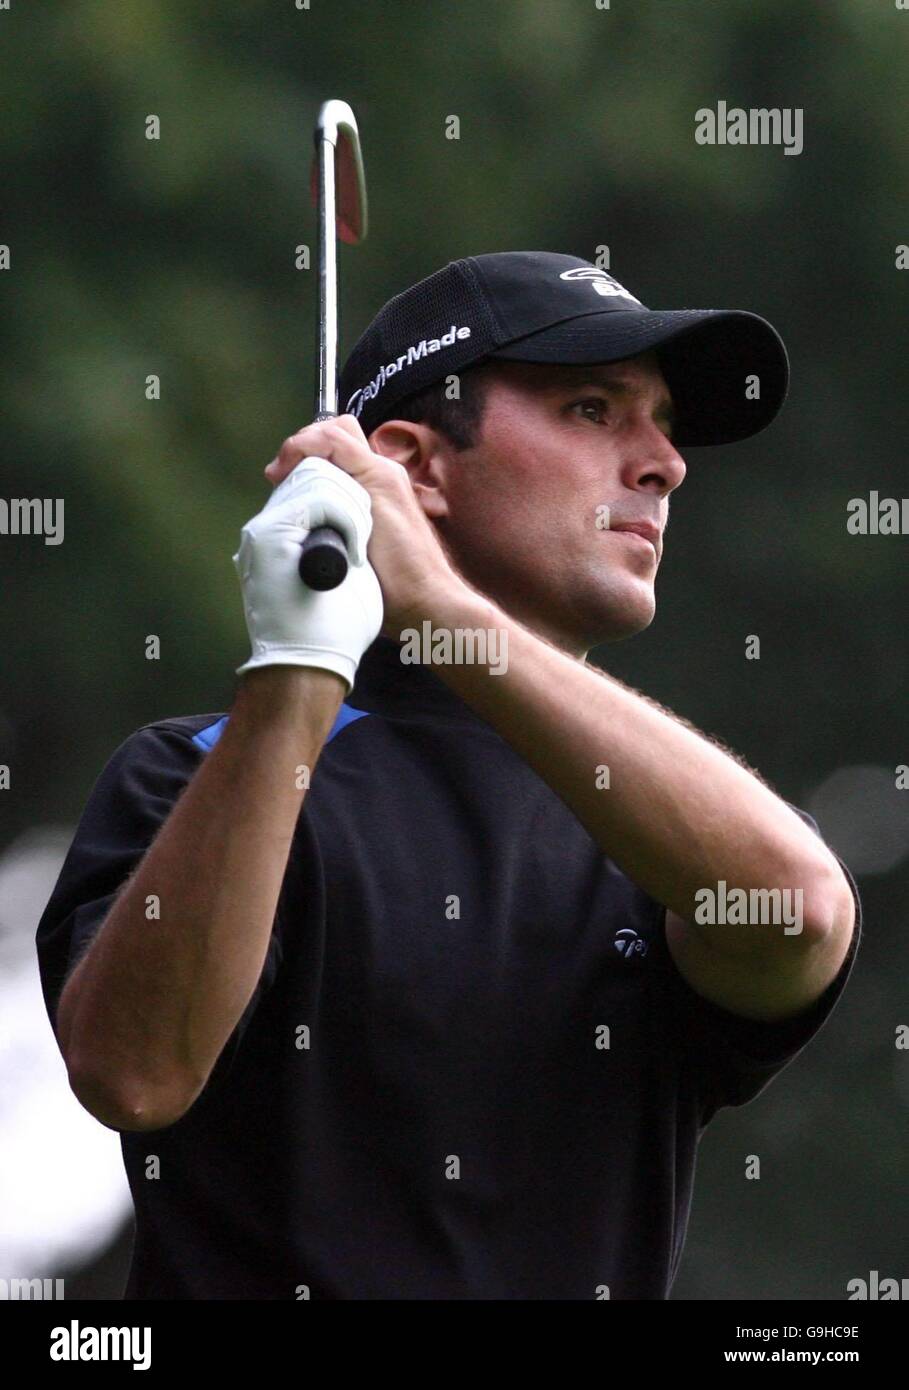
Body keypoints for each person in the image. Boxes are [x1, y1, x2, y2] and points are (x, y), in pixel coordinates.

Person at [36, 251, 861, 1300]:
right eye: (593, 409)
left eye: (662, 424)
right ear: (410, 467)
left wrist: (434, 602)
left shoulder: (663, 830)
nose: (666, 463)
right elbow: (136, 1075)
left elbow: (798, 910)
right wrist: (300, 664)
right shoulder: (193, 772)